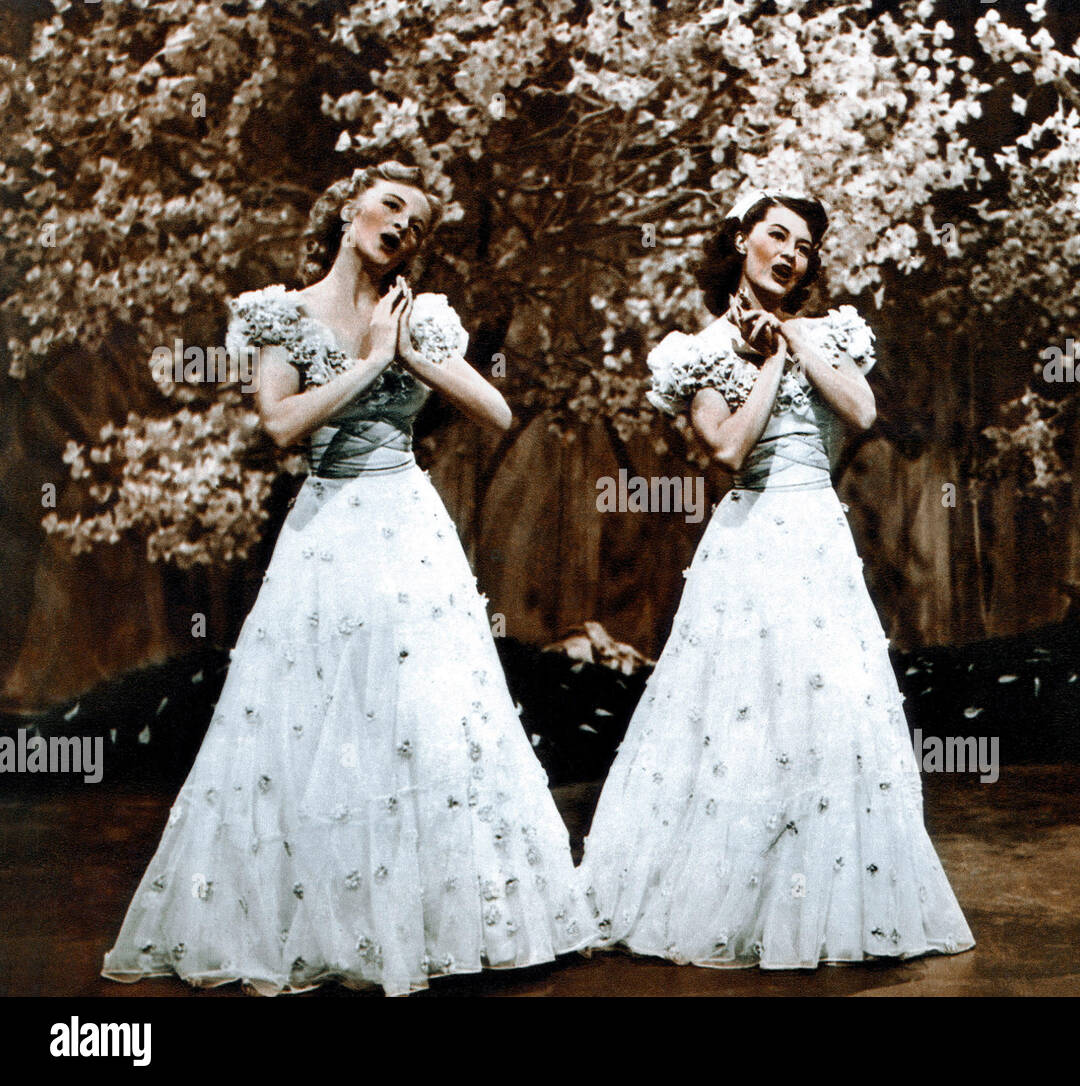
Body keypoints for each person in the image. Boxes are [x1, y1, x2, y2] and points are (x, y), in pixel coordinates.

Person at [101, 162, 594, 995]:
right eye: (391, 205)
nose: (402, 225)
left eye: (420, 223)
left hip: (408, 524)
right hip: (329, 527)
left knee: (425, 711)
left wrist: (408, 353)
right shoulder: (279, 314)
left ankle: (433, 923)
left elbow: (498, 412)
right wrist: (370, 363)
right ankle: (314, 918)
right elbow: (281, 424)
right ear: (348, 207)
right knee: (312, 714)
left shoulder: (420, 317)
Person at [578, 190, 975, 968]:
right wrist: (770, 365)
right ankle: (729, 901)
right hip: (749, 536)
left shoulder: (830, 332)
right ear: (742, 240)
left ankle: (824, 902)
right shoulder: (694, 352)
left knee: (831, 712)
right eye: (777, 236)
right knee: (736, 717)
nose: (792, 253)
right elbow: (725, 450)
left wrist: (794, 338)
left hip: (817, 537)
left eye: (804, 245)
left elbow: (859, 412)